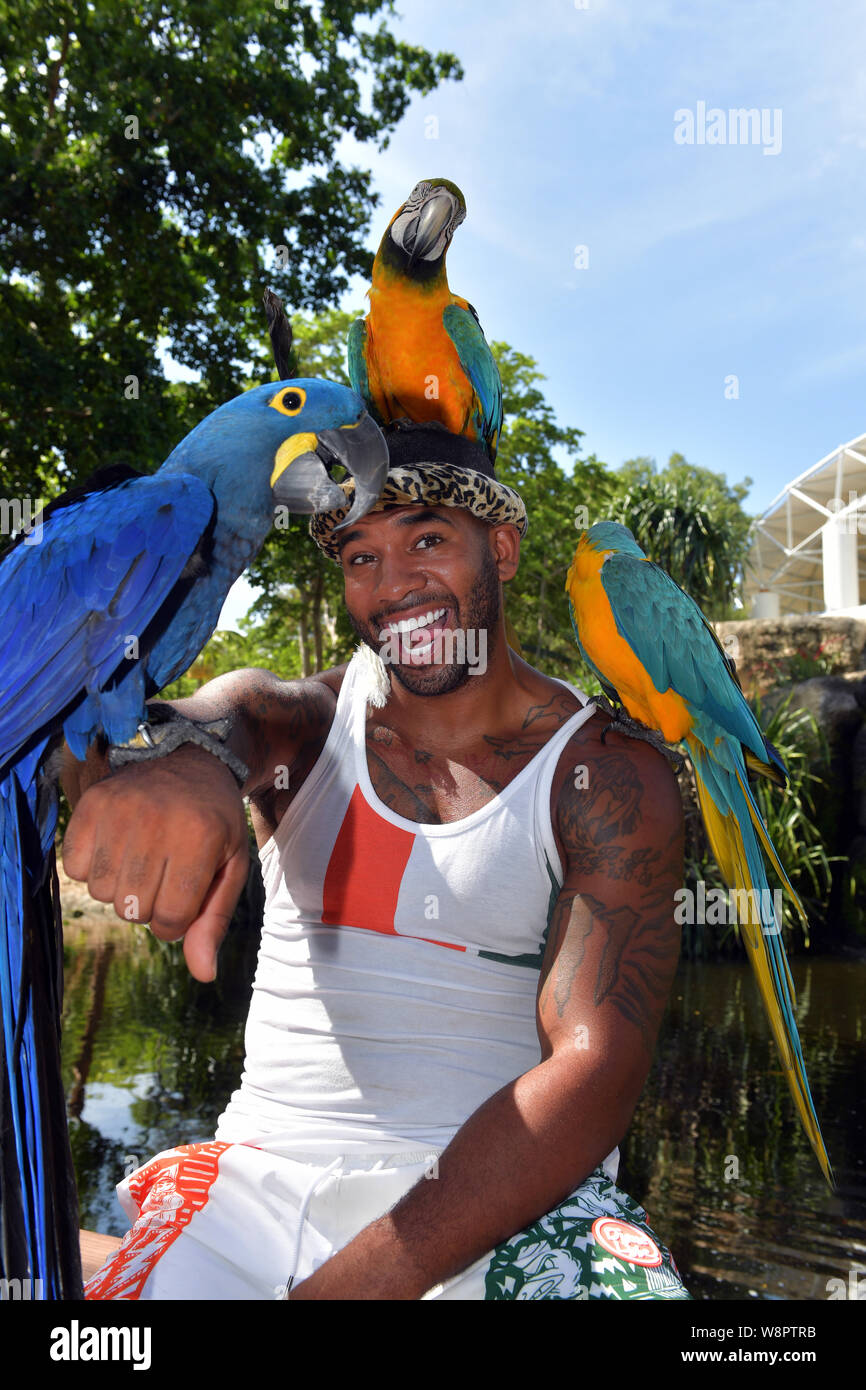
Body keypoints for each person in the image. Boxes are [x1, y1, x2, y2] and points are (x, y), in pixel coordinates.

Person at [62, 421, 691, 1300]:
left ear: (502, 549)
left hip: (503, 1205)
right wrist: (194, 764)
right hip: (252, 1188)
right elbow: (234, 711)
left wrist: (346, 1291)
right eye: (360, 557)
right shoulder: (310, 724)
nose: (393, 586)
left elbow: (595, 1069)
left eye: (427, 540)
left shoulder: (606, 775)